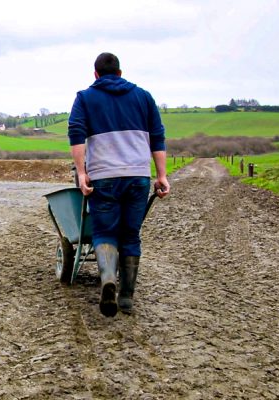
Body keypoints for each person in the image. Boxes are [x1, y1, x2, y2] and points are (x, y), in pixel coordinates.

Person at [67, 52, 170, 317]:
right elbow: (157, 137)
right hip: (137, 177)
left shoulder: (85, 98)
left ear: (95, 75)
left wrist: (81, 173)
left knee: (104, 233)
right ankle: (126, 297)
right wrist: (161, 176)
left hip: (104, 177)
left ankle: (108, 280)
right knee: (130, 235)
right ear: (121, 73)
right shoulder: (143, 96)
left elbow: (77, 135)